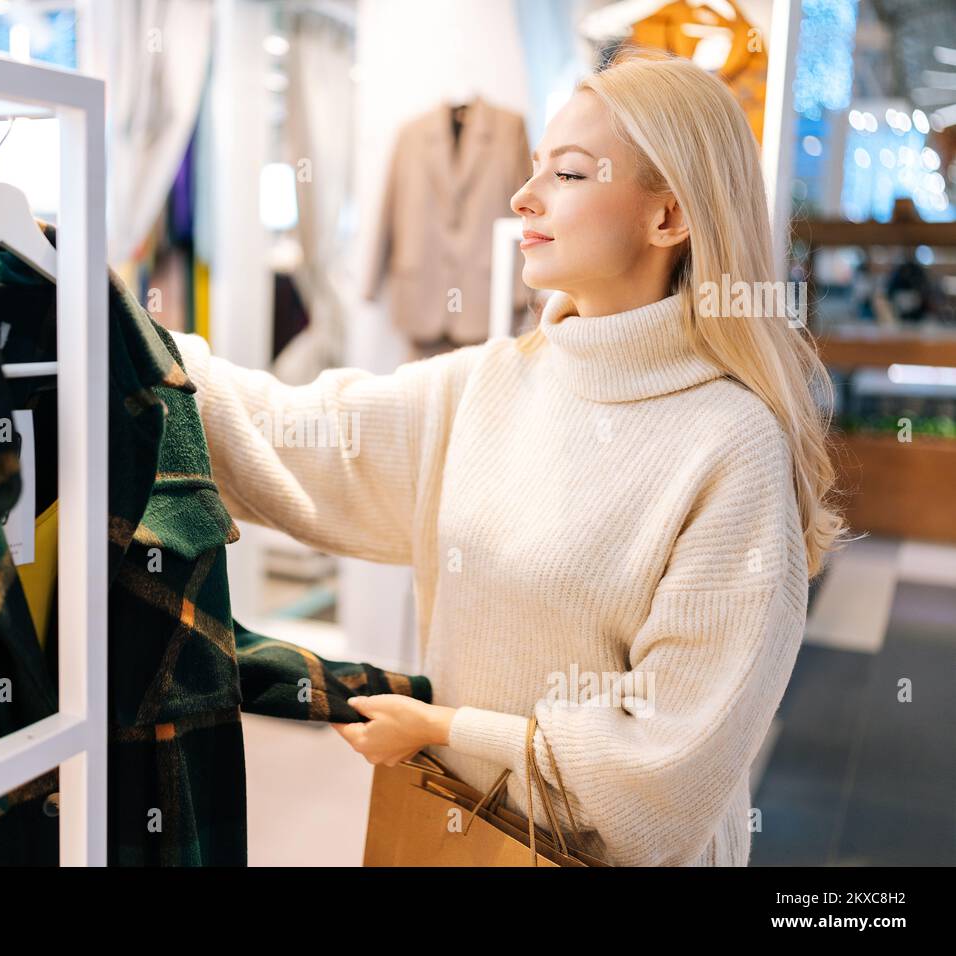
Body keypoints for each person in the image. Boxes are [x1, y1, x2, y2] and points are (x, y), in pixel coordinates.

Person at [170, 50, 849, 866]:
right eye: (534, 170)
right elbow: (294, 434)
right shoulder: (491, 382)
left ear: (668, 216)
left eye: (567, 173)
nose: (523, 198)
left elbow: (663, 775)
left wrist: (448, 729)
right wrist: (130, 343)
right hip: (460, 834)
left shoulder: (732, 445)